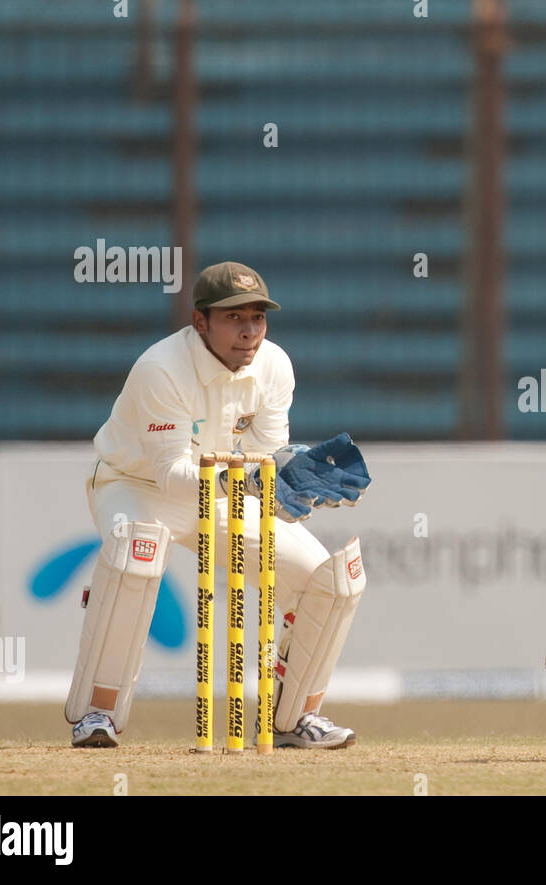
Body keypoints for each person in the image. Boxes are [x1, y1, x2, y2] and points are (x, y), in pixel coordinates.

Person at [66, 261, 372, 749]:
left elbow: (266, 457)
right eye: (233, 318)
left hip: (222, 489)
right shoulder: (160, 369)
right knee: (135, 555)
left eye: (257, 317)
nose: (249, 332)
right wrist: (250, 479)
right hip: (138, 484)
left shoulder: (275, 366)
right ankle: (97, 714)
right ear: (200, 321)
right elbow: (171, 476)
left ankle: (295, 719)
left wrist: (284, 487)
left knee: (329, 577)